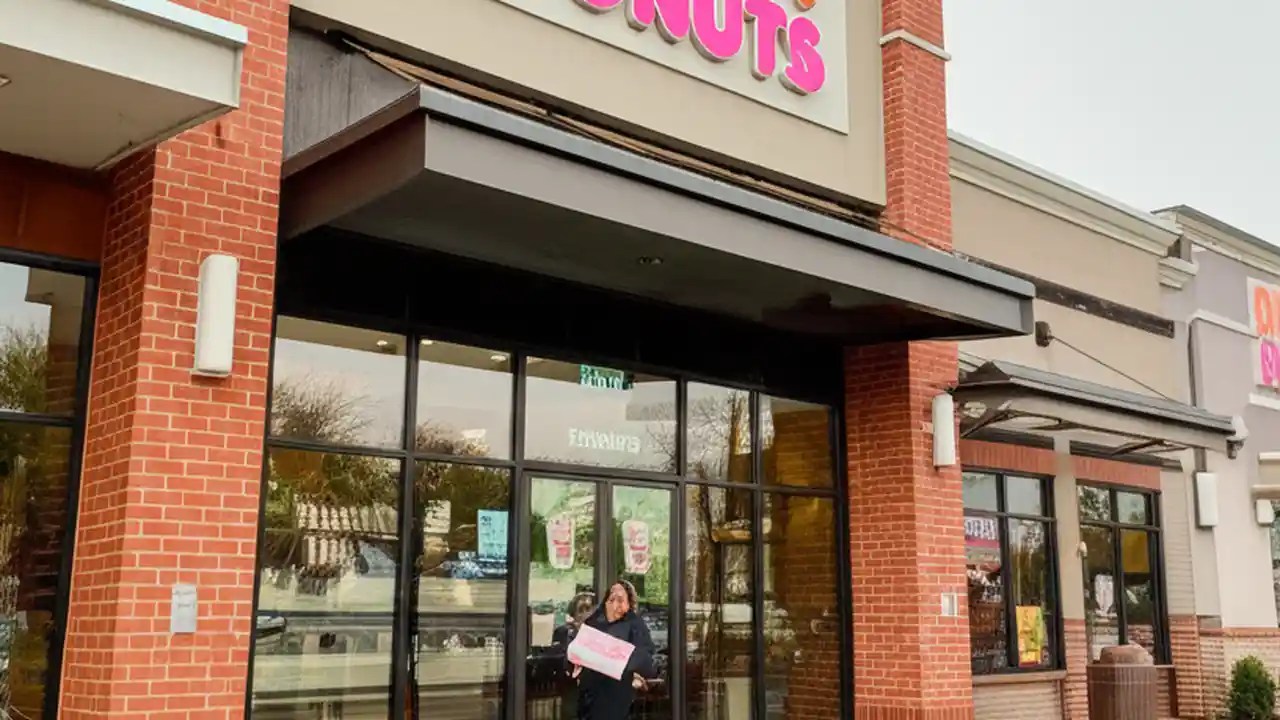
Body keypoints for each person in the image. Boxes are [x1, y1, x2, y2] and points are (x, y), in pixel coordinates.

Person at [571, 579, 657, 719]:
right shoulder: (592, 622)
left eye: (620, 599)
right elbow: (575, 649)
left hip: (617, 698)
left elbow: (646, 660)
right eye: (611, 598)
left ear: (628, 604)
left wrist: (618, 660)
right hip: (590, 698)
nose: (614, 602)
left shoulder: (634, 625)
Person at [553, 591, 597, 720]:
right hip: (573, 691)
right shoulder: (564, 632)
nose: (586, 614)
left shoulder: (601, 635)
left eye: (589, 610)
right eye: (581, 610)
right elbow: (561, 661)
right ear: (574, 614)